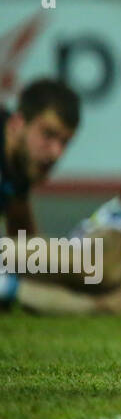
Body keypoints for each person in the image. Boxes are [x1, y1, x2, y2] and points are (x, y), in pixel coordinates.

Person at [0, 78, 80, 308]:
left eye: (65, 142)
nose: (56, 153)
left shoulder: (16, 165)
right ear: (17, 123)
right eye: (48, 135)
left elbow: (23, 236)